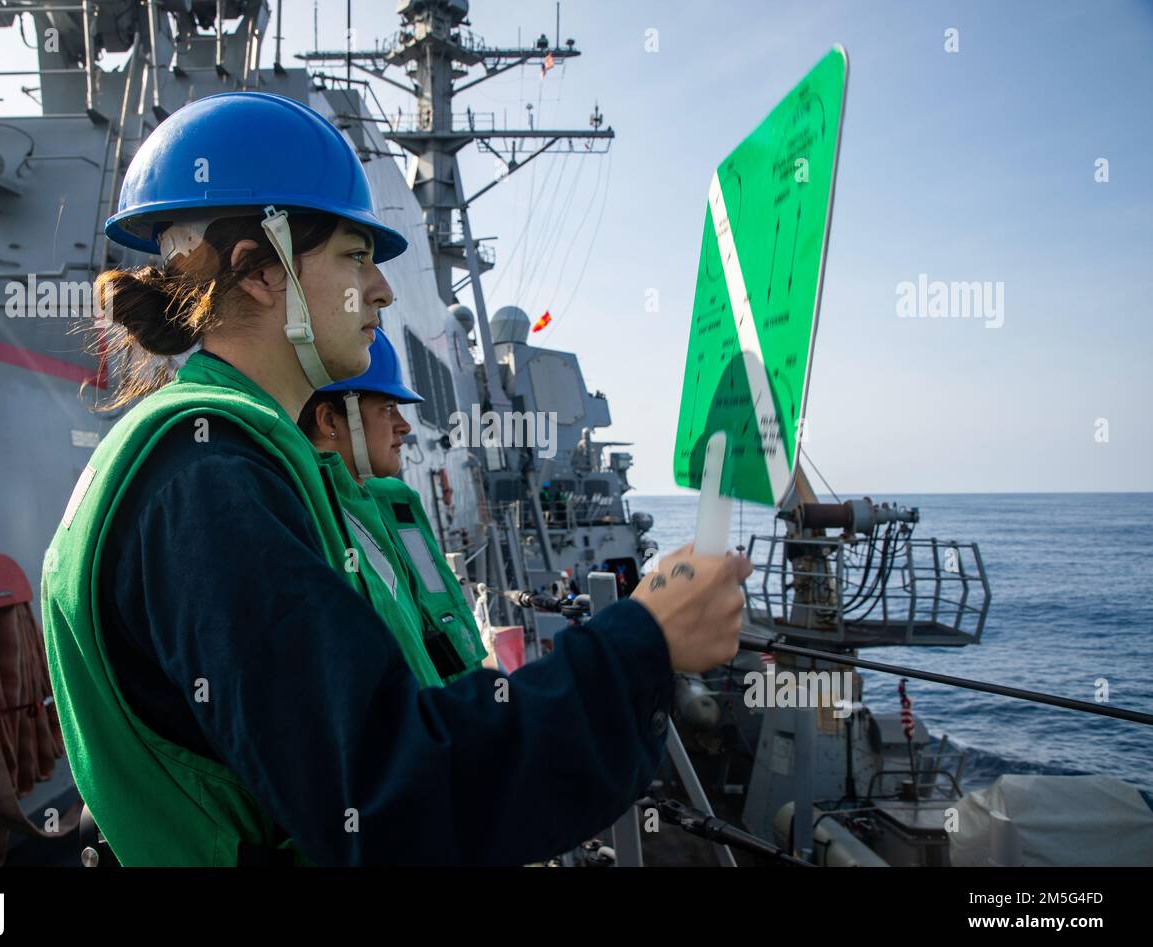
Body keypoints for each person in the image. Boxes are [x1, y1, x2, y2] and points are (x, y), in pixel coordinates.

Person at [41, 90, 753, 867]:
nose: (381, 288)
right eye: (354, 257)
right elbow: (387, 800)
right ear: (257, 270)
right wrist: (639, 643)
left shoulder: (218, 457)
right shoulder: (206, 479)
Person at [297, 326, 488, 680]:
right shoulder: (308, 519)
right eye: (387, 409)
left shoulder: (392, 503)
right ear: (329, 420)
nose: (404, 426)